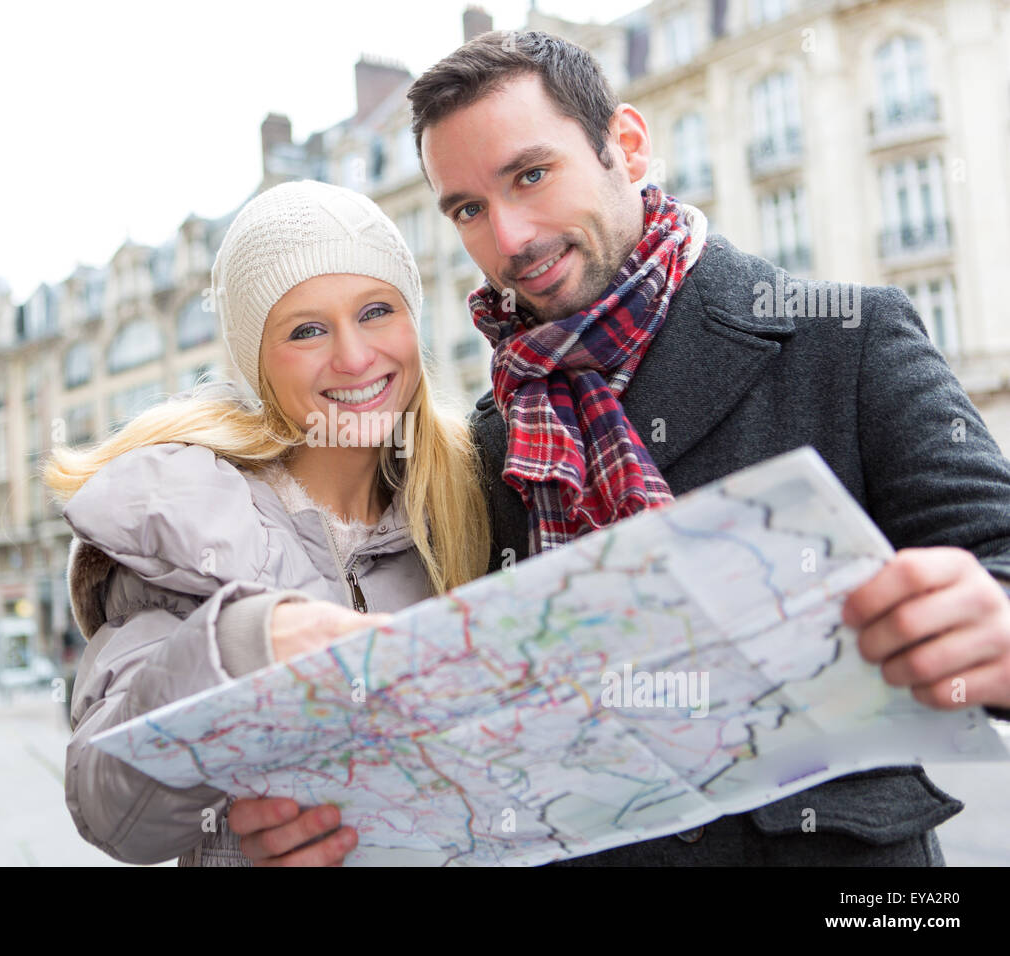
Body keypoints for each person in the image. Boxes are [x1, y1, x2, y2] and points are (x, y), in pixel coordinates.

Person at [397, 29, 1010, 866]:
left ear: (628, 146)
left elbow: (997, 560)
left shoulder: (847, 337)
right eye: (467, 208)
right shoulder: (492, 434)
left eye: (530, 174)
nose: (508, 238)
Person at [42, 179, 489, 866]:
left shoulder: (472, 502)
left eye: (376, 310)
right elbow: (109, 804)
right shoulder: (188, 520)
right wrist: (241, 646)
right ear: (257, 362)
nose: (353, 355)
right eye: (306, 329)